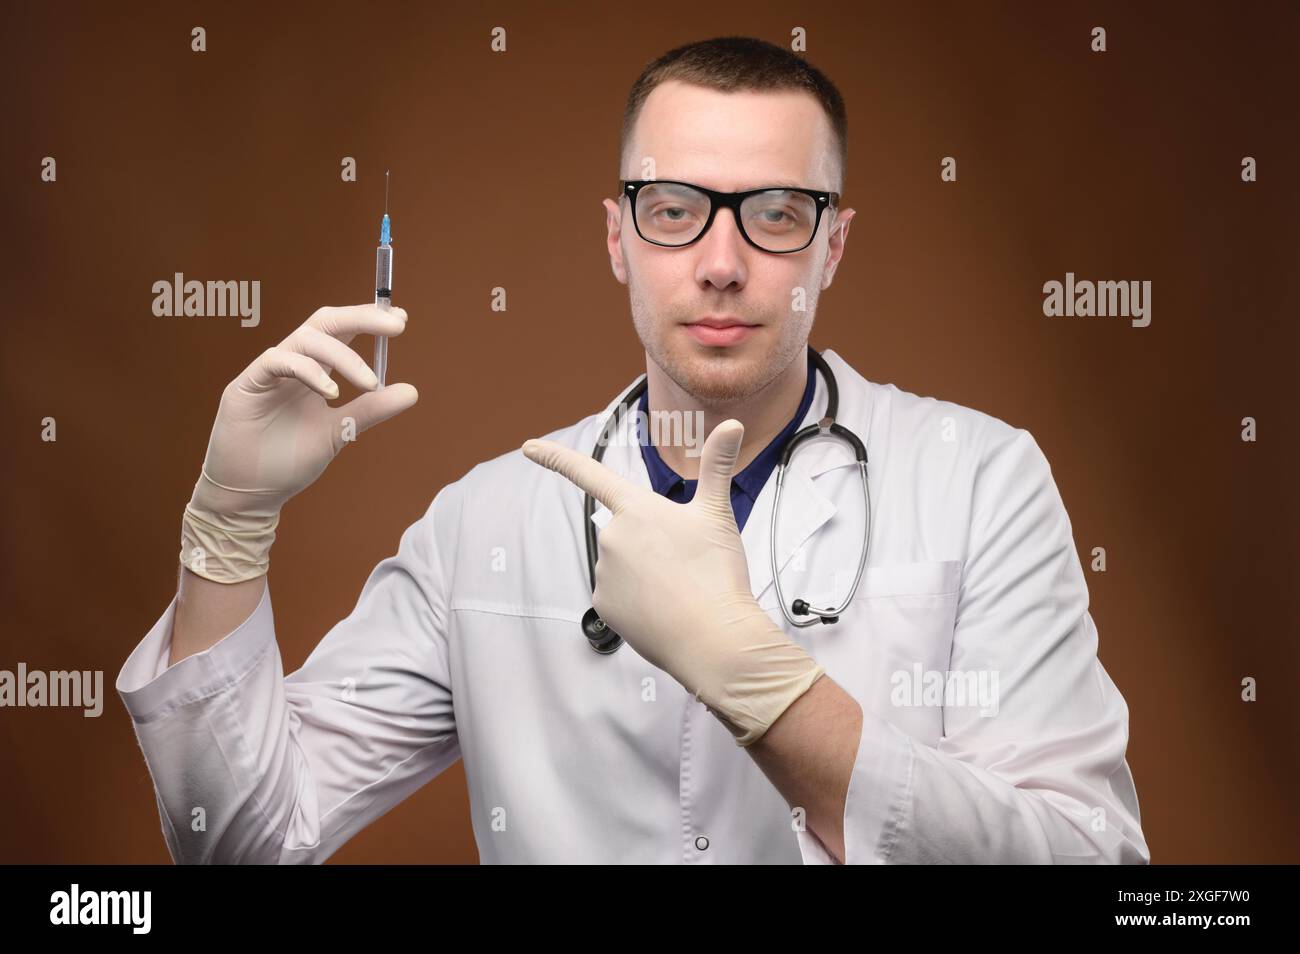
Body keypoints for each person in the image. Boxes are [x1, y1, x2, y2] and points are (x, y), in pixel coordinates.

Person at [116, 36, 1149, 864]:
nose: (720, 262)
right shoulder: (487, 524)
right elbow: (241, 839)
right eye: (673, 210)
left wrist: (765, 690)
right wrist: (229, 529)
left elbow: (1088, 860)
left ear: (832, 245)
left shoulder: (977, 480)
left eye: (777, 214)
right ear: (618, 240)